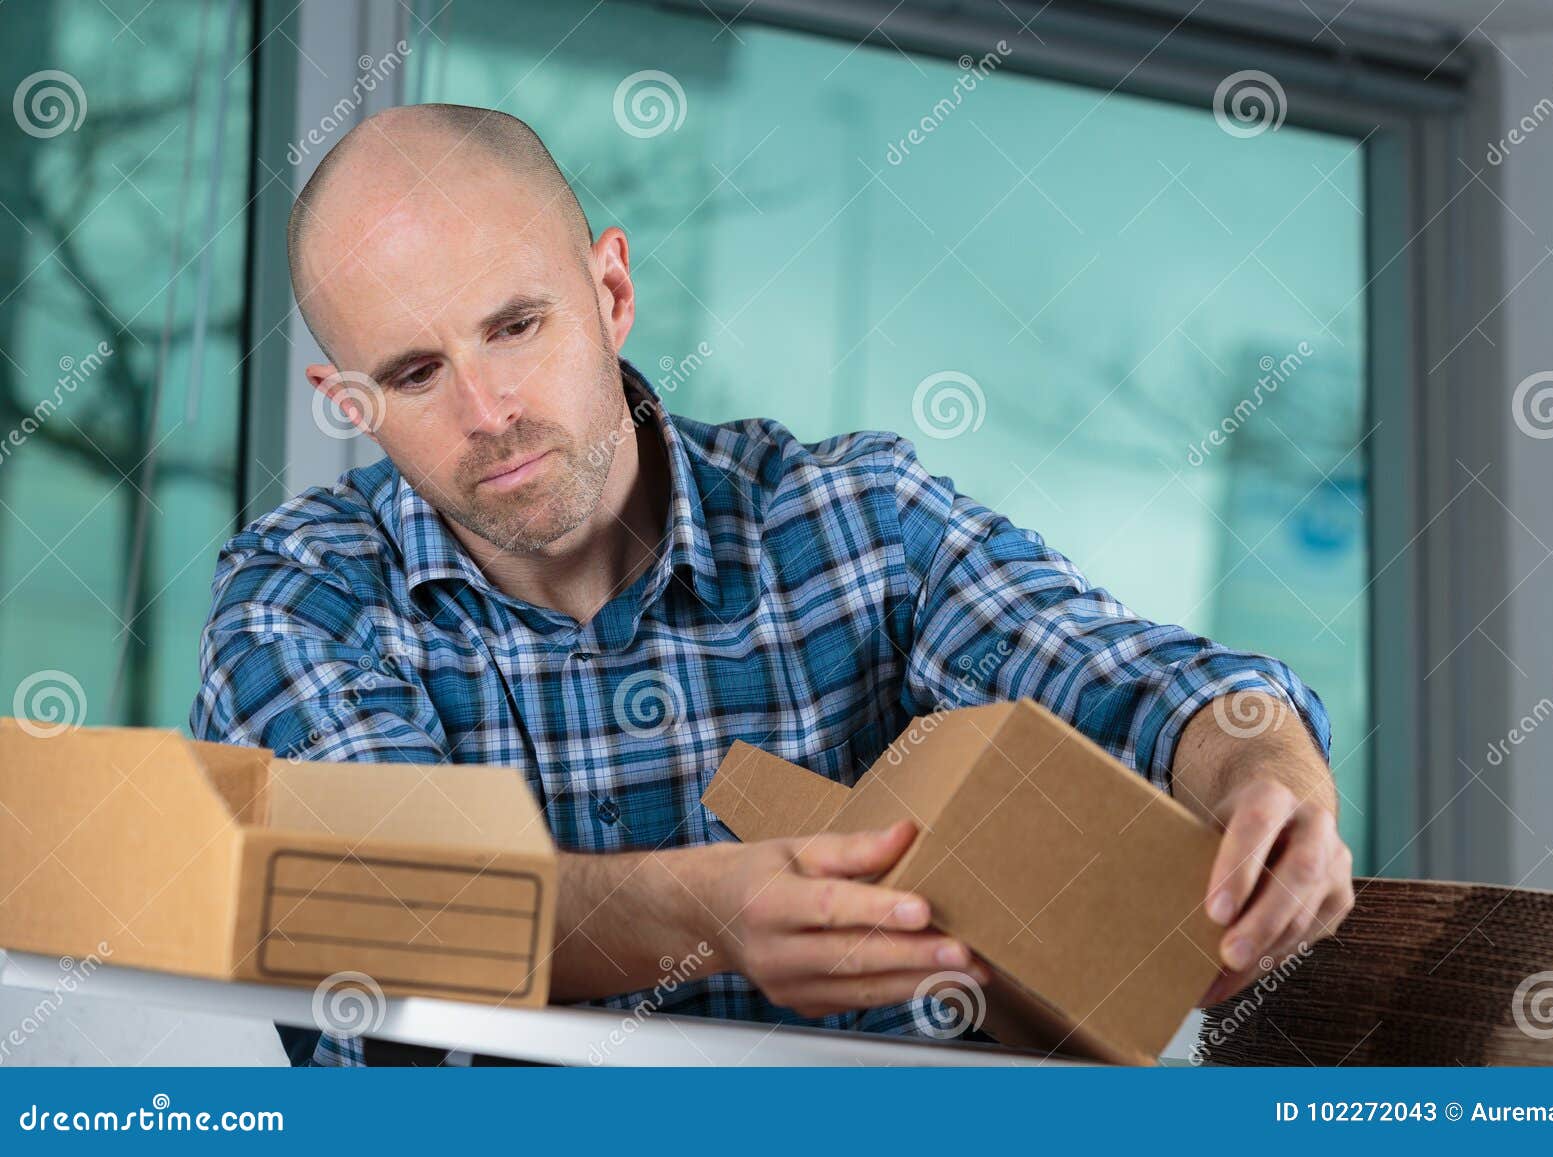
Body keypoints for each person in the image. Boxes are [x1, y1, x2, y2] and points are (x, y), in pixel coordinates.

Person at [190, 104, 1354, 1066]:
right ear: (349, 401)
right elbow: (399, 906)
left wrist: (1263, 767)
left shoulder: (848, 520)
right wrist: (709, 913)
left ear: (610, 290)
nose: (488, 412)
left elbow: (1130, 676)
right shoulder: (299, 602)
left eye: (517, 325)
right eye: (414, 370)